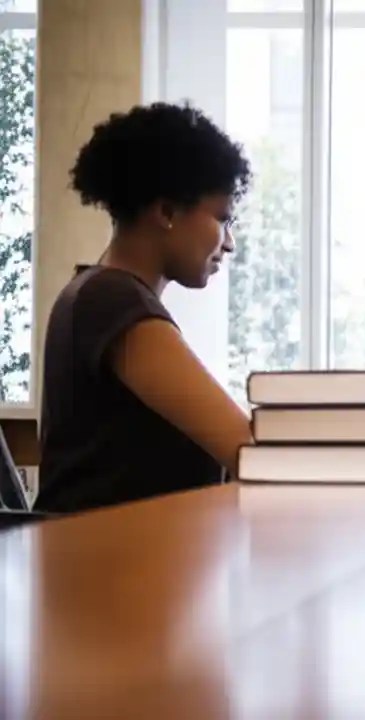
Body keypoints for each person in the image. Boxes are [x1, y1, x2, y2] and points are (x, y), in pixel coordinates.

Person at [35, 102, 255, 513]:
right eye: (222, 219)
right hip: (105, 571)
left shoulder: (94, 293)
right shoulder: (112, 301)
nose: (229, 242)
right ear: (167, 211)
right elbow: (248, 451)